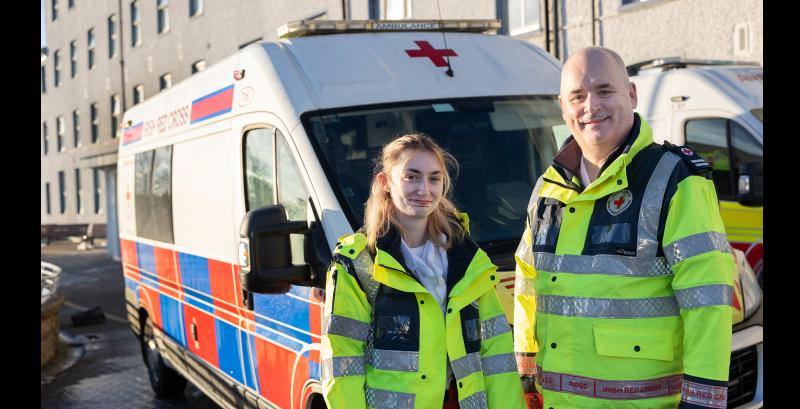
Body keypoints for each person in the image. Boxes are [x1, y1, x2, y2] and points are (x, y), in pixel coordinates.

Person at [513, 47, 736, 409]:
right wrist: (524, 366)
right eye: (577, 97)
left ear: (631, 94)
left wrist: (703, 400)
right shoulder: (547, 188)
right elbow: (526, 282)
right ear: (562, 106)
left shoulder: (675, 179)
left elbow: (708, 300)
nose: (591, 107)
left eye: (604, 91)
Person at [321, 133, 525, 409]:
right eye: (412, 176)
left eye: (434, 178)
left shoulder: (467, 258)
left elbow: (497, 356)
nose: (424, 189)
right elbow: (342, 365)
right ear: (385, 183)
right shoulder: (358, 263)